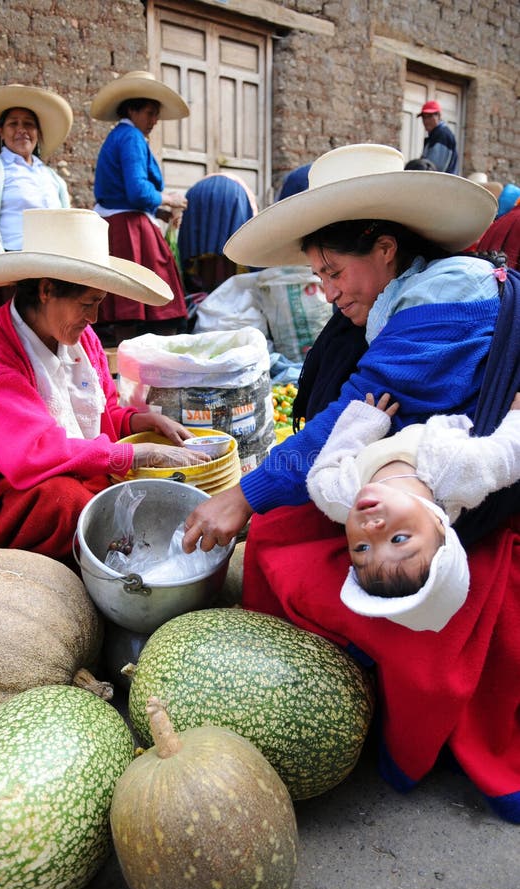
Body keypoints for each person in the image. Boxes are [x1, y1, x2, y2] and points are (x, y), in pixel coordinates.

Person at [182, 143, 520, 823]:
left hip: (473, 501)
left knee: (280, 538)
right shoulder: (414, 294)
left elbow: (346, 416)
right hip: (411, 473)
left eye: (335, 272)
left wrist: (242, 497)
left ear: (386, 248)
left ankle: (359, 695)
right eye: (319, 277)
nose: (330, 292)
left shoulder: (447, 303)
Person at [0, 209, 210, 566]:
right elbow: (29, 451)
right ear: (47, 289)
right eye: (88, 304)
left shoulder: (84, 341)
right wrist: (134, 454)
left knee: (132, 501)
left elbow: (102, 414)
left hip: (78, 479)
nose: (94, 318)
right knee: (67, 502)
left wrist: (142, 423)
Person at [306, 391, 520, 631]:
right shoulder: (456, 472)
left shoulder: (340, 496)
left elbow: (321, 472)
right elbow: (507, 455)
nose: (370, 529)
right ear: (440, 526)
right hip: (461, 395)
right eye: (398, 539)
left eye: (361, 548)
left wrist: (366, 423)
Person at [90, 71, 189, 344]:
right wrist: (170, 199)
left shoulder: (120, 136)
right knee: (150, 302)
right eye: (149, 112)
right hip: (130, 230)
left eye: (156, 114)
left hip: (118, 225)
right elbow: (136, 190)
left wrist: (159, 211)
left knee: (127, 306)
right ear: (132, 109)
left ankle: (127, 367)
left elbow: (123, 192)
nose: (154, 120)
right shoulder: (131, 137)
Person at [0, 84, 73, 315]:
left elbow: (67, 222)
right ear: (0, 131)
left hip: (50, 268)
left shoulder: (52, 177)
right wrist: (2, 264)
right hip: (9, 269)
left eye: (29, 124)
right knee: (9, 338)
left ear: (38, 133)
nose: (21, 130)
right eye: (13, 123)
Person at [417, 100, 459, 174]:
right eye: (424, 117)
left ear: (439, 116)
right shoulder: (434, 135)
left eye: (430, 116)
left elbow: (434, 169)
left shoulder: (442, 135)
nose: (426, 121)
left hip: (442, 183)